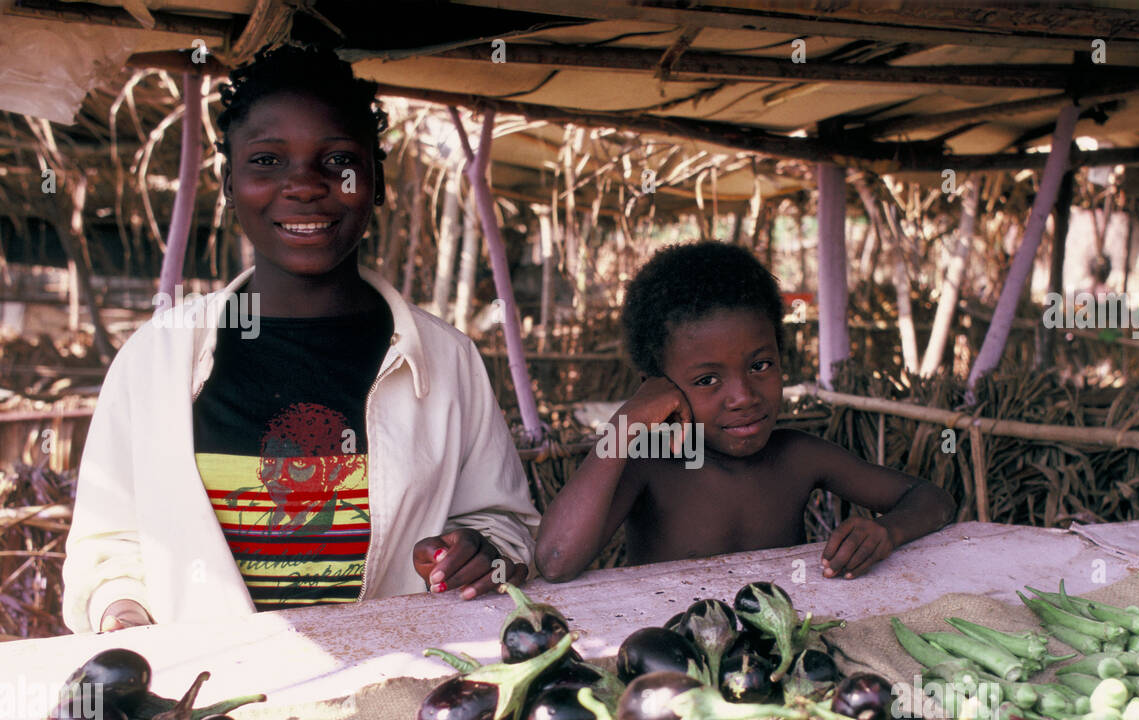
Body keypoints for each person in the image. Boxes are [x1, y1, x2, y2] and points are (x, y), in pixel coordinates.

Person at [62, 45, 537, 633]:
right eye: (266, 160)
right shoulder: (156, 359)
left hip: (400, 688)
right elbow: (108, 547)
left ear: (376, 180)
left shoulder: (447, 360)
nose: (305, 186)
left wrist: (480, 554)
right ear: (229, 183)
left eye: (337, 159)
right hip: (209, 694)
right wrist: (123, 612)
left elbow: (506, 527)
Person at [535, 242, 956, 582]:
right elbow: (556, 560)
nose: (743, 396)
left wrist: (888, 531)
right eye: (707, 380)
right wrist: (624, 425)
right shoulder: (650, 463)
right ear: (658, 387)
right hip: (674, 656)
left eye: (760, 366)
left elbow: (932, 499)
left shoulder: (798, 456)